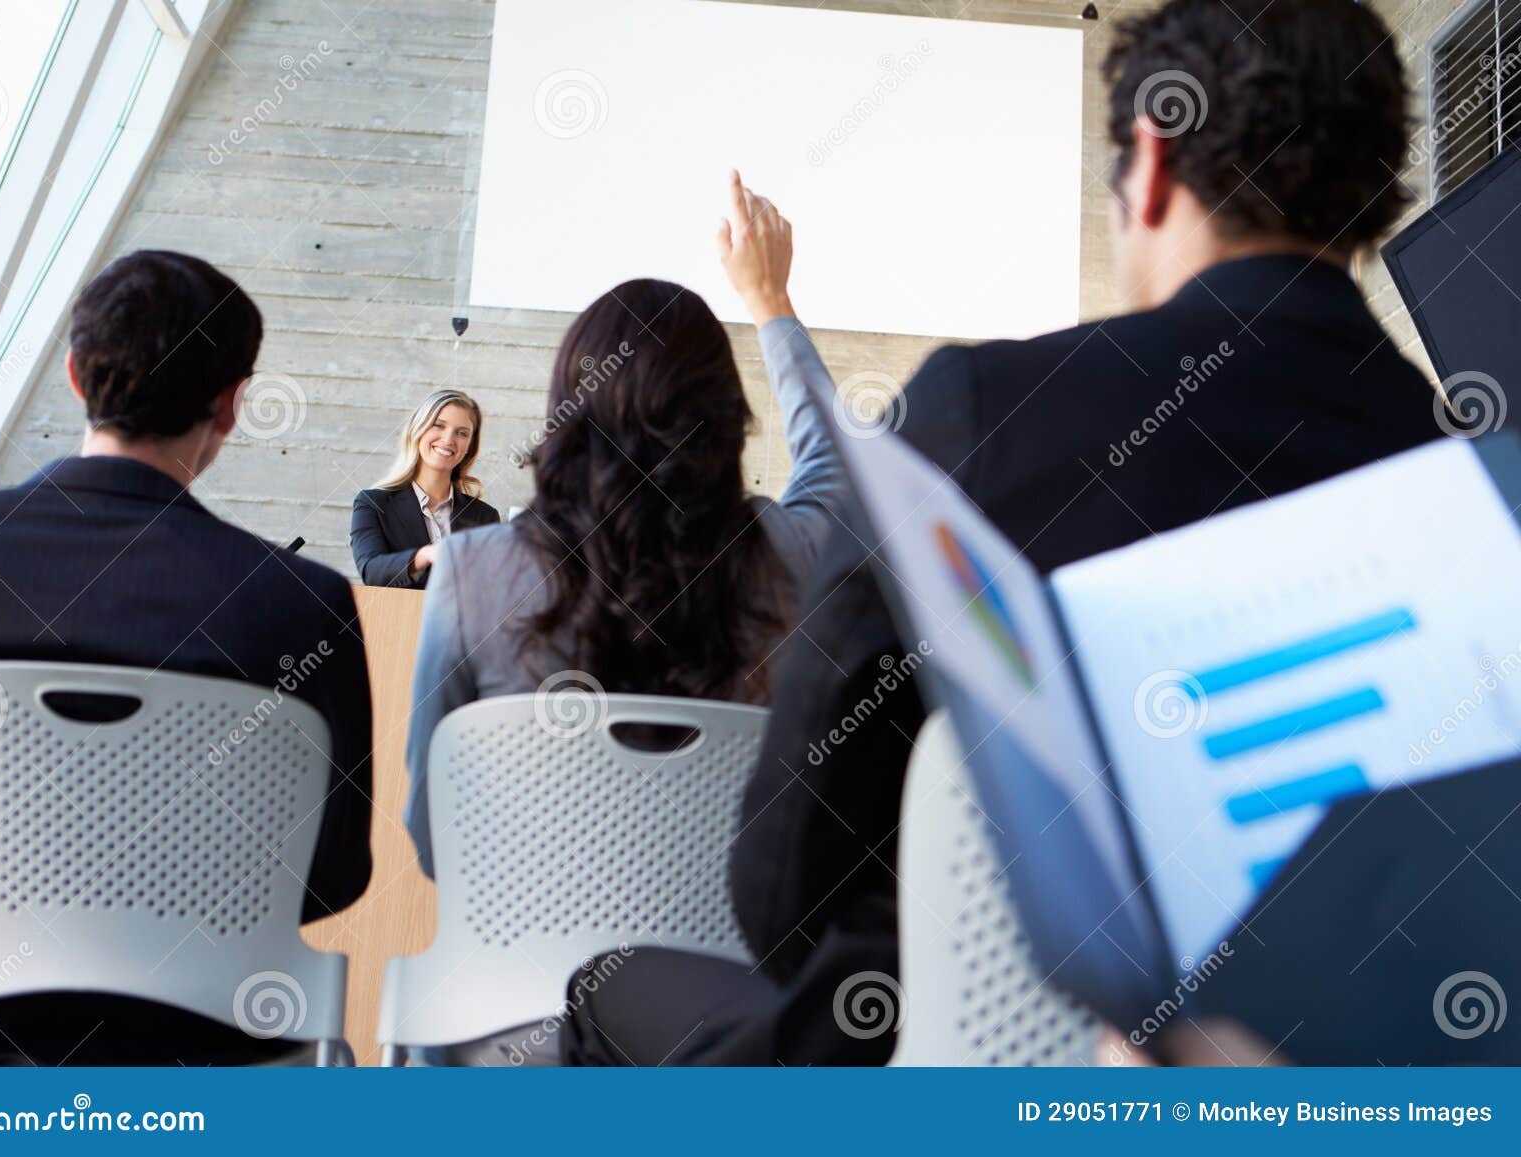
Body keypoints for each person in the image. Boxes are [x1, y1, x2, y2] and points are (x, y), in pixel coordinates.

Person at [563, 0, 1448, 1066]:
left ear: (1153, 162)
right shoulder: (1476, 484)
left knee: (607, 990)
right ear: (1375, 187)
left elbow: (783, 882)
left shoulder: (976, 417)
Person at [0, 250, 373, 1065]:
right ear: (232, 404)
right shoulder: (299, 603)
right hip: (202, 1051)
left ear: (72, 374)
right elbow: (332, 876)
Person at [402, 171, 845, 877]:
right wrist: (770, 300)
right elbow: (838, 460)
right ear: (727, 419)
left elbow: (432, 838)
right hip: (736, 975)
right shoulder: (786, 556)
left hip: (520, 973)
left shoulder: (471, 573)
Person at [351, 389, 500, 588]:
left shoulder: (485, 517)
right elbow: (371, 571)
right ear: (418, 430)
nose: (448, 439)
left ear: (469, 448)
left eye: (462, 433)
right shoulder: (373, 504)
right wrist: (426, 555)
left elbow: (492, 589)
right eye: (438, 425)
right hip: (399, 618)